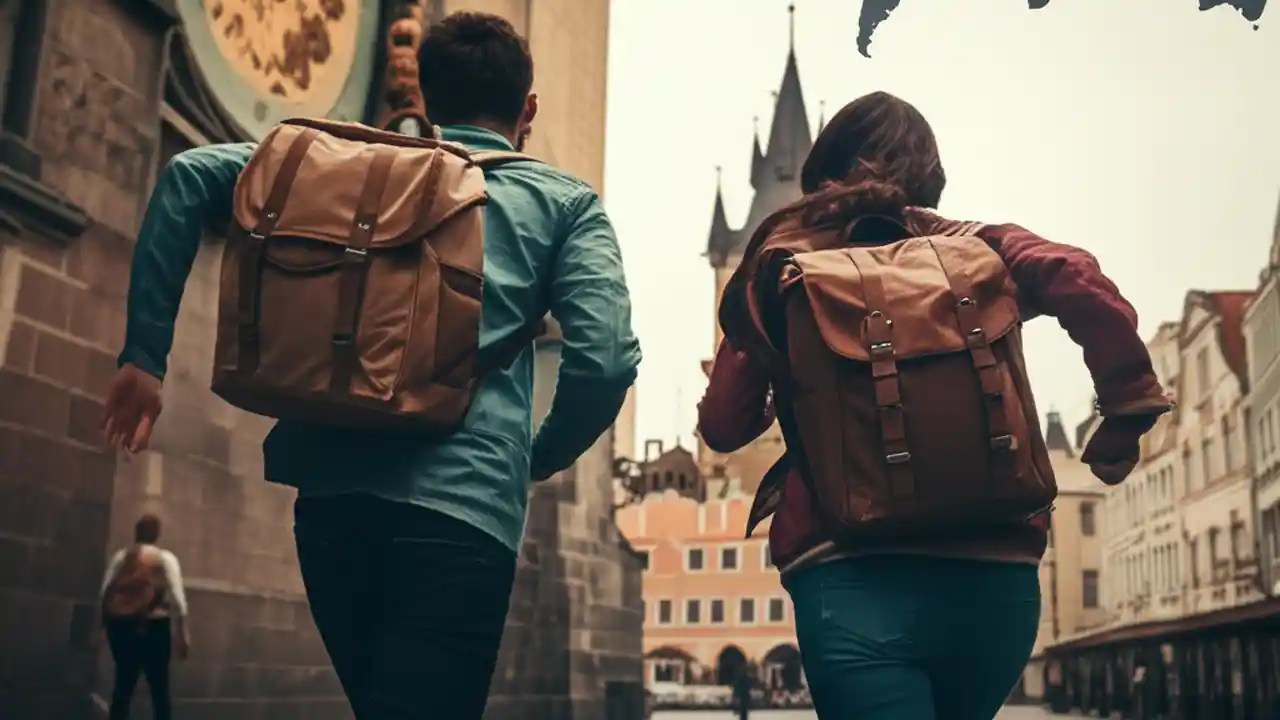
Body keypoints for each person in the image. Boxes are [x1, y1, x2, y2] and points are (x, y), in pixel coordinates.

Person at [101, 12, 640, 719]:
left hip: (329, 503)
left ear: (427, 95)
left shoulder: (348, 167)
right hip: (465, 510)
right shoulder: (563, 205)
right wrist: (536, 458)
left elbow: (188, 175)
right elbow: (604, 361)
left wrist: (145, 357)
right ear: (528, 109)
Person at [700, 91, 1170, 720]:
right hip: (996, 568)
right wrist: (1125, 405)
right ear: (932, 179)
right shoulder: (981, 246)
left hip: (848, 572)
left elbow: (725, 426)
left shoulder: (783, 267)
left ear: (822, 177)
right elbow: (1077, 274)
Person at [99, 514, 189, 720]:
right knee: (159, 689)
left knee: (123, 687)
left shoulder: (122, 557)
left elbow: (104, 592)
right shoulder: (165, 559)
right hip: (155, 627)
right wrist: (183, 633)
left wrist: (104, 627)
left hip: (123, 627)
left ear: (136, 533)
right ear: (157, 534)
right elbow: (178, 597)